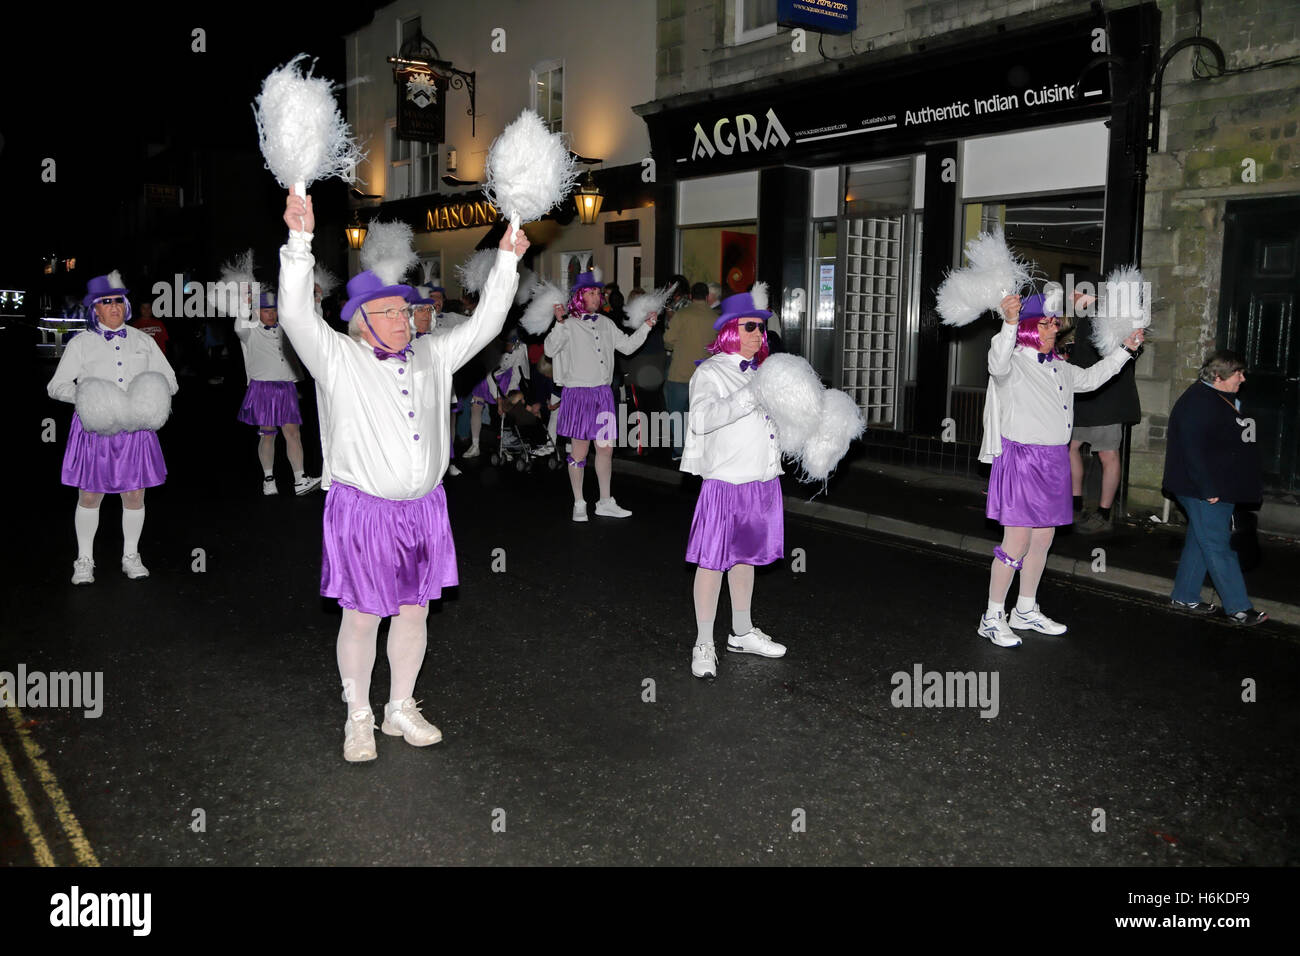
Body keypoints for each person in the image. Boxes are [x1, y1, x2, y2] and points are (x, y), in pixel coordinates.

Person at [277, 188, 527, 762]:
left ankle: (400, 707)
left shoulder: (434, 354)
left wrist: (509, 260)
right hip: (362, 510)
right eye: (387, 311)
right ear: (360, 321)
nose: (402, 318)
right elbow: (293, 313)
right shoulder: (337, 357)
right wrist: (298, 240)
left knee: (415, 612)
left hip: (425, 509)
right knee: (363, 618)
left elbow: (489, 321)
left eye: (405, 310)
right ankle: (358, 715)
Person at [977, 292, 1144, 647]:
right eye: (1046, 322)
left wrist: (1126, 350)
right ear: (1026, 329)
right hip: (1021, 459)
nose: (1054, 328)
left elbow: (1094, 378)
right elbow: (996, 360)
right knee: (1016, 543)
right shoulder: (1012, 363)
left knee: (1043, 539)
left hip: (1054, 460)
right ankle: (992, 616)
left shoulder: (1059, 366)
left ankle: (1024, 609)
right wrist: (1008, 322)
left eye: (1056, 322)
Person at [47, 273, 178, 584]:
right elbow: (56, 386)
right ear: (95, 308)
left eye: (118, 300)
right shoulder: (80, 344)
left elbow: (171, 380)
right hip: (95, 430)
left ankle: (131, 556)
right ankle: (84, 560)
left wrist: (151, 394)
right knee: (90, 496)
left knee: (135, 494)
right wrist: (90, 398)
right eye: (106, 302)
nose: (114, 306)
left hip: (136, 428)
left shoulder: (143, 341)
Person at [681, 290, 786, 679]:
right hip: (725, 484)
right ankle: (704, 642)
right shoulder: (710, 372)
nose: (760, 333)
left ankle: (741, 631)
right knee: (711, 564)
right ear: (730, 330)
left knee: (747, 559)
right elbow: (702, 420)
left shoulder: (765, 370)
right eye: (750, 326)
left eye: (762, 327)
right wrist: (750, 395)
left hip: (761, 481)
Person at [1163, 351, 1268, 625]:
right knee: (1219, 546)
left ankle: (1184, 596)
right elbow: (1192, 451)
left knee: (1201, 541)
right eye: (1238, 374)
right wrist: (1207, 488)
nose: (1243, 379)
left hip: (1214, 484)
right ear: (1219, 377)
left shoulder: (1215, 397)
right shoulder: (1198, 402)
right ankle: (1238, 608)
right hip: (1201, 488)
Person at [544, 270, 656, 521]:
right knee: (579, 454)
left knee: (605, 450)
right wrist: (559, 323)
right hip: (578, 395)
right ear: (581, 296)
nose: (597, 296)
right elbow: (550, 350)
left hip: (603, 394)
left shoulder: (605, 322)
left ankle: (605, 501)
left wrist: (647, 326)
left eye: (598, 292)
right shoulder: (569, 324)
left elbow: (627, 346)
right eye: (592, 292)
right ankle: (579, 502)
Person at [1069, 272, 1142, 534]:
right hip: (1084, 395)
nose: (1071, 297)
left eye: (1075, 291)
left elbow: (1129, 351)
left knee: (1107, 454)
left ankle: (1102, 513)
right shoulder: (1080, 317)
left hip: (1107, 398)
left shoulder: (1112, 316)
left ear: (1092, 293)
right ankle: (1077, 505)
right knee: (1072, 448)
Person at [235, 290, 321, 496]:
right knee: (267, 435)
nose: (271, 314)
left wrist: (317, 302)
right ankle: (268, 480)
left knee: (293, 433)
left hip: (286, 387)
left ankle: (300, 480)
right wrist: (243, 304)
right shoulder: (250, 331)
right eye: (266, 311)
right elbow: (238, 327)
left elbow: (313, 327)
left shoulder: (285, 328)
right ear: (257, 311)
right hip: (263, 388)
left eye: (274, 310)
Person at [663, 282, 718, 460]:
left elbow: (668, 339)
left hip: (680, 372)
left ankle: (680, 451)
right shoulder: (715, 317)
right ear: (707, 296)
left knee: (676, 413)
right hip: (704, 375)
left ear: (692, 296)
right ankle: (698, 448)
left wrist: (675, 344)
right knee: (699, 413)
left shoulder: (682, 314)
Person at [464, 329, 528, 458]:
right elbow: (489, 374)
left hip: (504, 375)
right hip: (486, 373)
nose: (512, 348)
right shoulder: (492, 347)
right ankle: (475, 445)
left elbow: (517, 373)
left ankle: (503, 445)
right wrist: (498, 398)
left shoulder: (521, 348)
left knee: (505, 410)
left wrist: (509, 396)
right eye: (509, 345)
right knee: (476, 405)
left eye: (514, 345)